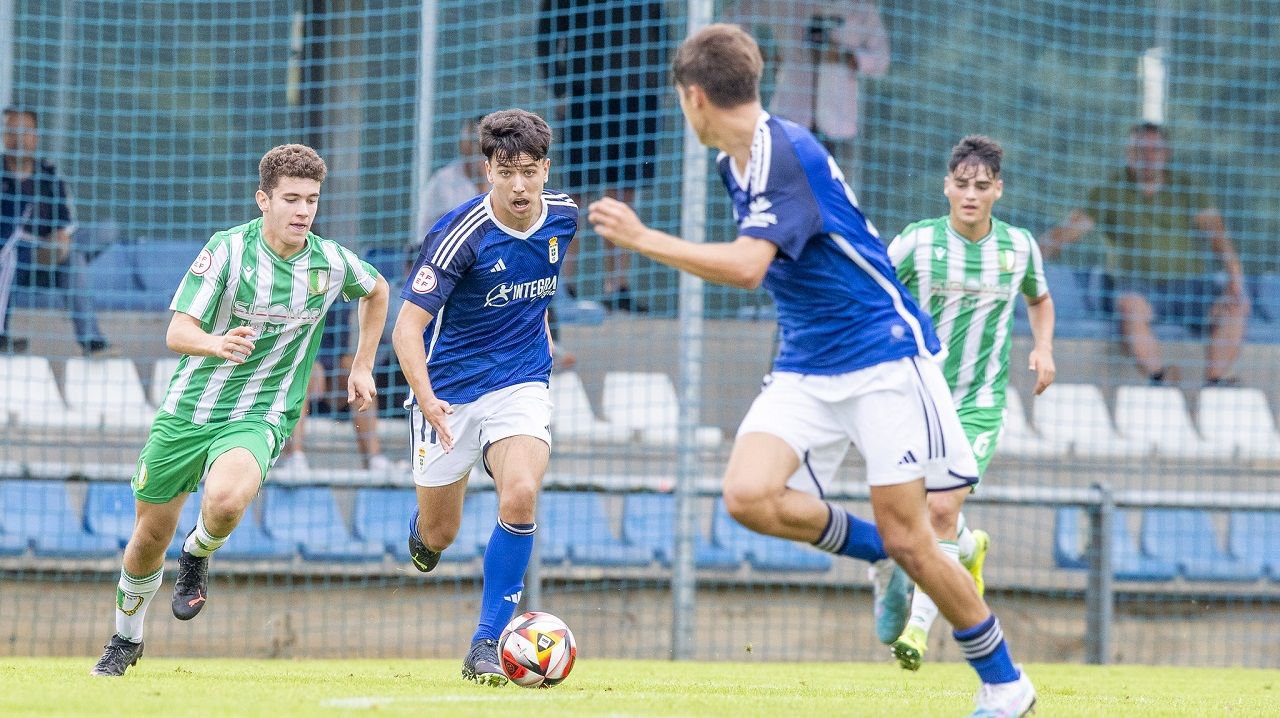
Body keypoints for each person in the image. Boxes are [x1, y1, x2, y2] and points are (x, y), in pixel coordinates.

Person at [587, 25, 1035, 715]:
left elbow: (747, 267)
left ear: (694, 97)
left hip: (880, 355)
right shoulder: (734, 164)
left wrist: (644, 238)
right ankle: (877, 553)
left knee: (916, 540)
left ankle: (1006, 683)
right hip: (807, 360)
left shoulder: (785, 152)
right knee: (749, 495)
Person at [89, 144, 389, 677]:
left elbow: (377, 289)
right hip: (189, 410)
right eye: (291, 199)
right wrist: (216, 343)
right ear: (263, 200)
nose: (303, 211)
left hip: (261, 412)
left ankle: (198, 551)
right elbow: (177, 331)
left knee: (226, 501)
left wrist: (362, 365)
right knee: (148, 539)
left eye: (312, 200)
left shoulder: (330, 261)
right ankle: (126, 639)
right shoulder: (227, 250)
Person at [391, 109, 574, 686]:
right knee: (440, 535)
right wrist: (425, 398)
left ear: (545, 170)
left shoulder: (564, 217)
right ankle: (422, 532)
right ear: (487, 170)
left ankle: (486, 643)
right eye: (506, 171)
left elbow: (534, 293)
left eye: (529, 172)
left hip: (521, 383)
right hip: (448, 395)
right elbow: (407, 329)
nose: (519, 185)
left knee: (520, 493)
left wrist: (538, 334)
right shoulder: (458, 234)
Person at [885, 135, 1056, 672]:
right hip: (920, 400)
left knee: (940, 508)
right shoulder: (916, 242)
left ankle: (917, 629)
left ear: (998, 190)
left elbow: (1040, 298)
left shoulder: (1019, 247)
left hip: (980, 403)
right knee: (917, 516)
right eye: (962, 185)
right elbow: (875, 290)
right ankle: (969, 548)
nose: (971, 195)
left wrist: (1044, 348)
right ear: (947, 187)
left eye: (982, 186)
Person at [1044, 122, 1248, 386]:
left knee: (1236, 305)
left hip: (1190, 287)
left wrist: (1235, 275)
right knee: (1128, 307)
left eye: (1155, 150)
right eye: (1140, 150)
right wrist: (1026, 256)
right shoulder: (1109, 191)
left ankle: (1215, 382)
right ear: (1129, 154)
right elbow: (1066, 233)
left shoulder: (1188, 187)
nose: (1148, 157)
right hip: (1137, 287)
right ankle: (1161, 379)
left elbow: (1217, 234)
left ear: (1167, 153)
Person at [537, 0, 667, 311]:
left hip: (637, 96)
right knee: (577, 192)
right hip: (586, 94)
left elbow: (660, 33)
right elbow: (547, 37)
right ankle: (562, 286)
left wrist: (656, 84)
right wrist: (560, 88)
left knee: (623, 191)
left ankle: (618, 288)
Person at [724, 0, 889, 187]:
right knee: (785, 193)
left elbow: (881, 59)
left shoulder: (860, 8)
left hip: (839, 126)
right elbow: (734, 17)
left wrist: (847, 57)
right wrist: (759, 53)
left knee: (837, 194)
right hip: (790, 122)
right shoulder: (785, 4)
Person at [0, 106, 112, 355]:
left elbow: (66, 221)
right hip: (13, 256)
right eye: (13, 131)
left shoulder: (49, 175)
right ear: (5, 136)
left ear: (36, 136)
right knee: (65, 258)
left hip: (51, 252)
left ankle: (93, 344)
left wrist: (60, 240)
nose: (19, 138)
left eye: (26, 131)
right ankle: (92, 342)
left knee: (103, 233)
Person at [277, 300, 393, 475]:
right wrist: (313, 361)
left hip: (332, 380)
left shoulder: (340, 294)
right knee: (303, 370)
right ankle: (295, 458)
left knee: (355, 370)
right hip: (297, 369)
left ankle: (374, 460)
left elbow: (341, 349)